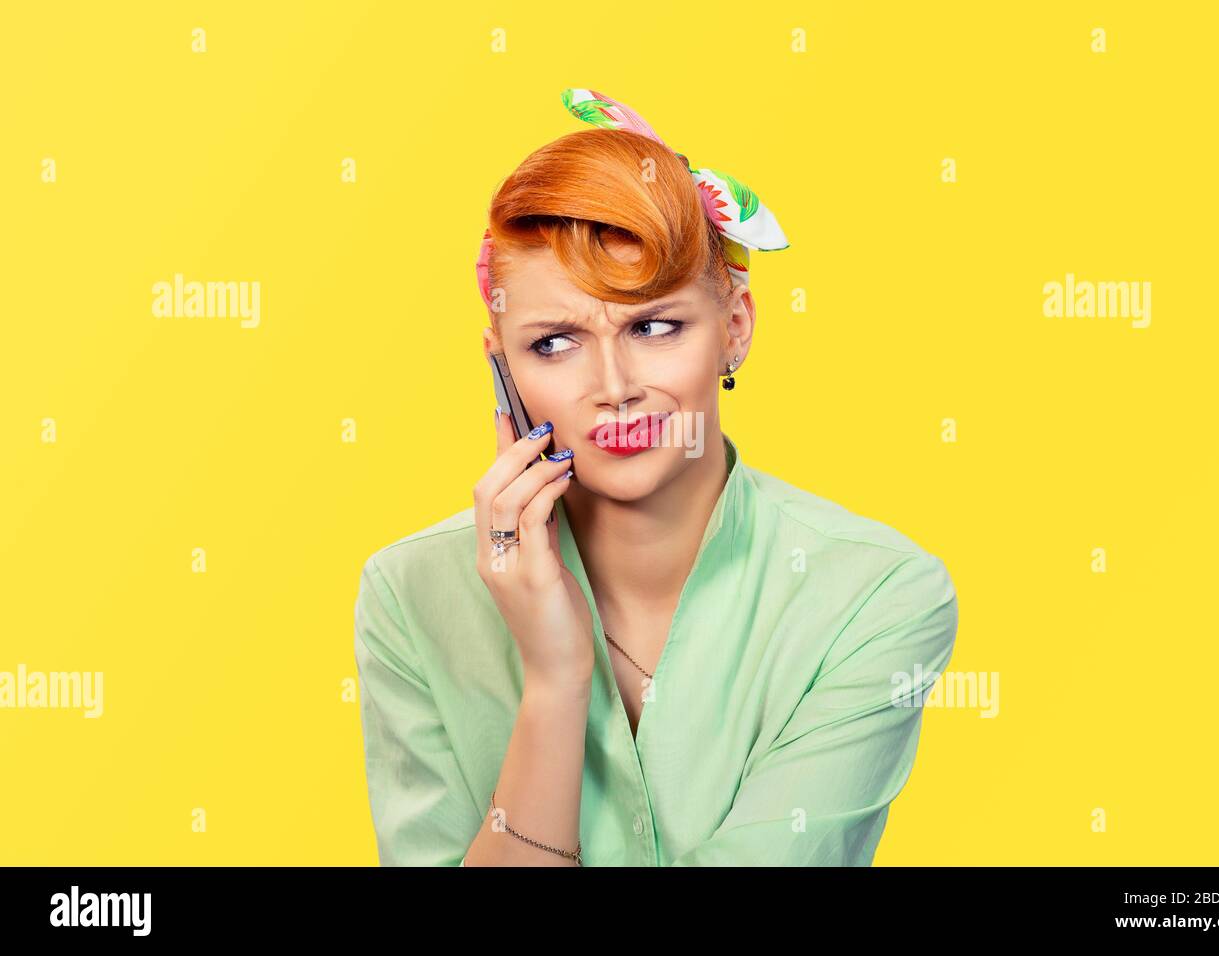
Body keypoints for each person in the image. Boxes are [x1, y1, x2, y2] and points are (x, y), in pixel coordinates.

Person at [353, 88, 958, 866]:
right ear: (501, 366)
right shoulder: (410, 594)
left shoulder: (876, 594)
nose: (614, 385)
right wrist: (556, 680)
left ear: (734, 329)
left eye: (654, 326)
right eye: (554, 344)